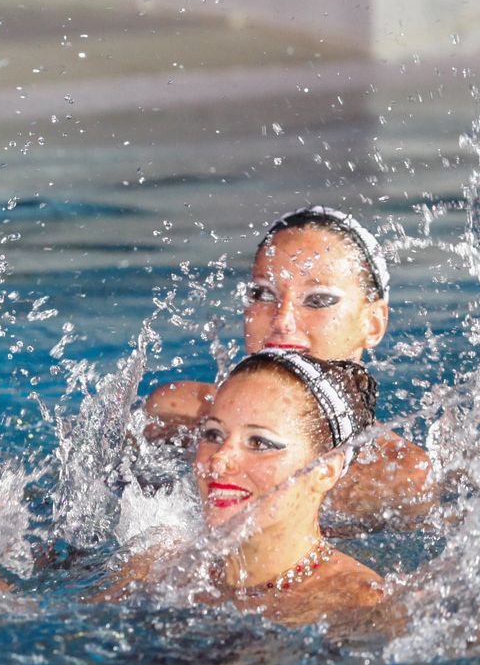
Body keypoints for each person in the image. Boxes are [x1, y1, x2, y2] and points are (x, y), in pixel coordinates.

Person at [144, 206, 439, 526]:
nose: (282, 320)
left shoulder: (399, 479)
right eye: (263, 293)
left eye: (317, 300)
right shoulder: (180, 417)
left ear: (373, 323)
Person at [117, 350, 389, 628]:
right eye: (213, 434)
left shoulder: (358, 605)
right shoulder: (156, 568)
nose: (220, 459)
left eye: (259, 443)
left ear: (325, 470)